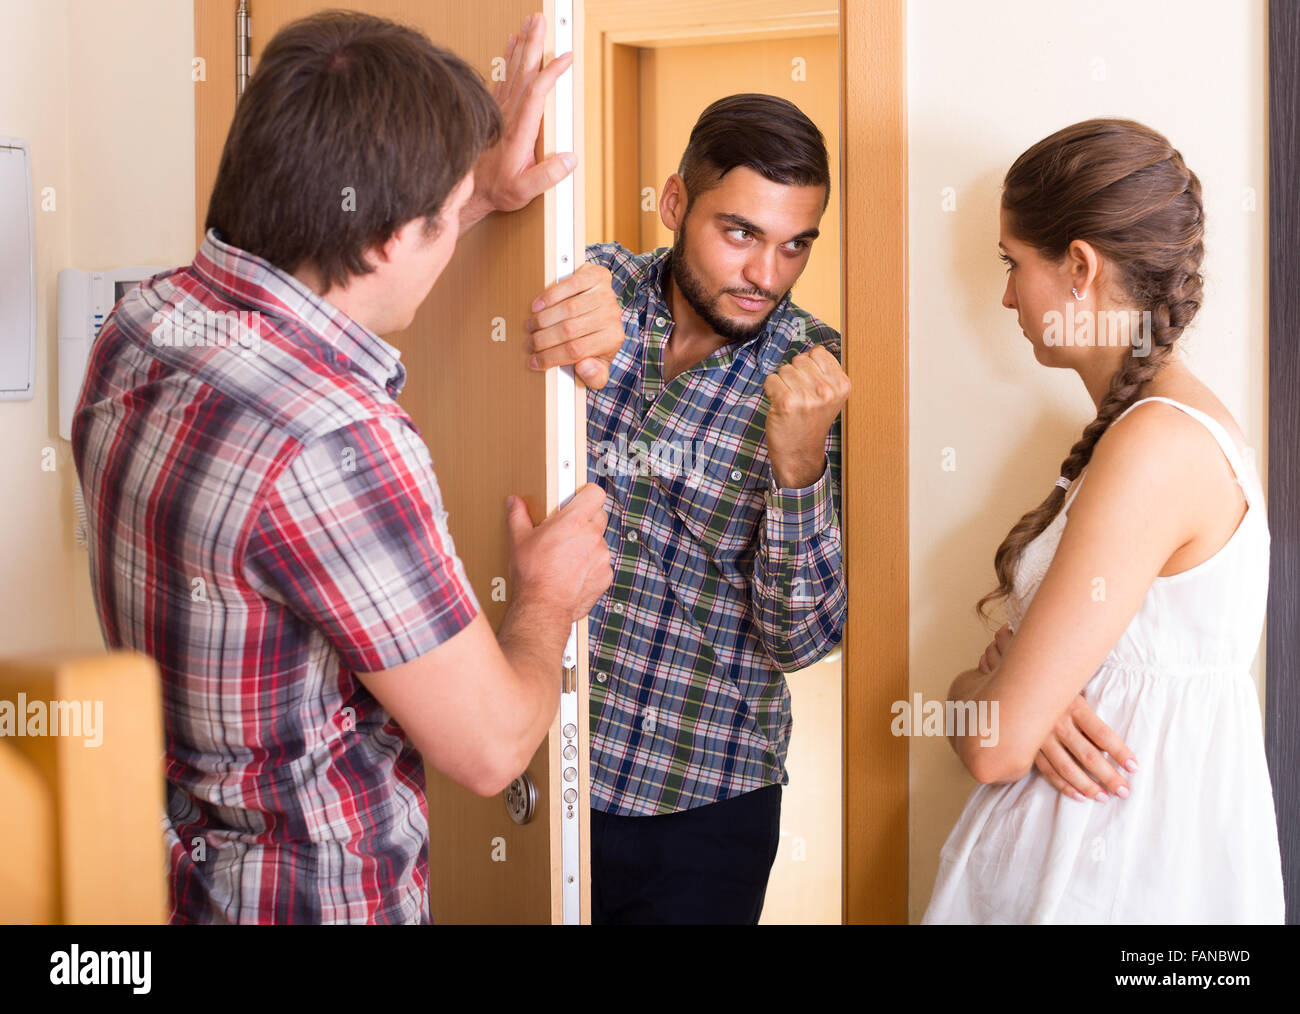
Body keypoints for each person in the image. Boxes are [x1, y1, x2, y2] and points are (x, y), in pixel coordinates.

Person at [71, 10, 623, 924]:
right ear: (383, 239)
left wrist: (468, 192)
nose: (455, 232)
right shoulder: (335, 440)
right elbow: (490, 749)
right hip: (311, 900)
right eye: (444, 221)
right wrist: (547, 603)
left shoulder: (144, 326)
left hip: (172, 881)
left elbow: (329, 272)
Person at [922, 118, 1285, 924]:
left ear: (1079, 267)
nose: (1008, 296)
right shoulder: (1152, 432)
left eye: (1014, 265)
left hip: (1110, 884)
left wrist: (989, 694)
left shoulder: (1156, 444)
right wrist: (1000, 698)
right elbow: (1009, 725)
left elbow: (992, 745)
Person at [527, 93, 850, 923]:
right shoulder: (587, 290)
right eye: (739, 233)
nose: (765, 276)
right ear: (675, 204)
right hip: (538, 769)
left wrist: (799, 467)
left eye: (795, 246)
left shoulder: (820, 381)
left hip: (708, 804)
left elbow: (801, 640)